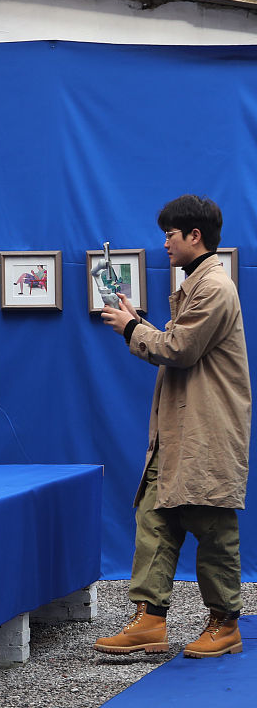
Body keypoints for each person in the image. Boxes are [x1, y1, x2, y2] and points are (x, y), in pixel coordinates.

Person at [97, 195, 250, 658]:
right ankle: (150, 619)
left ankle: (225, 623)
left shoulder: (214, 287)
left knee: (211, 523)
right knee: (154, 517)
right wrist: (138, 321)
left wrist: (131, 329)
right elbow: (176, 341)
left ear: (194, 236)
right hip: (179, 430)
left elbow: (180, 349)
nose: (164, 243)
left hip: (207, 431)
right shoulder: (195, 285)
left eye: (170, 234)